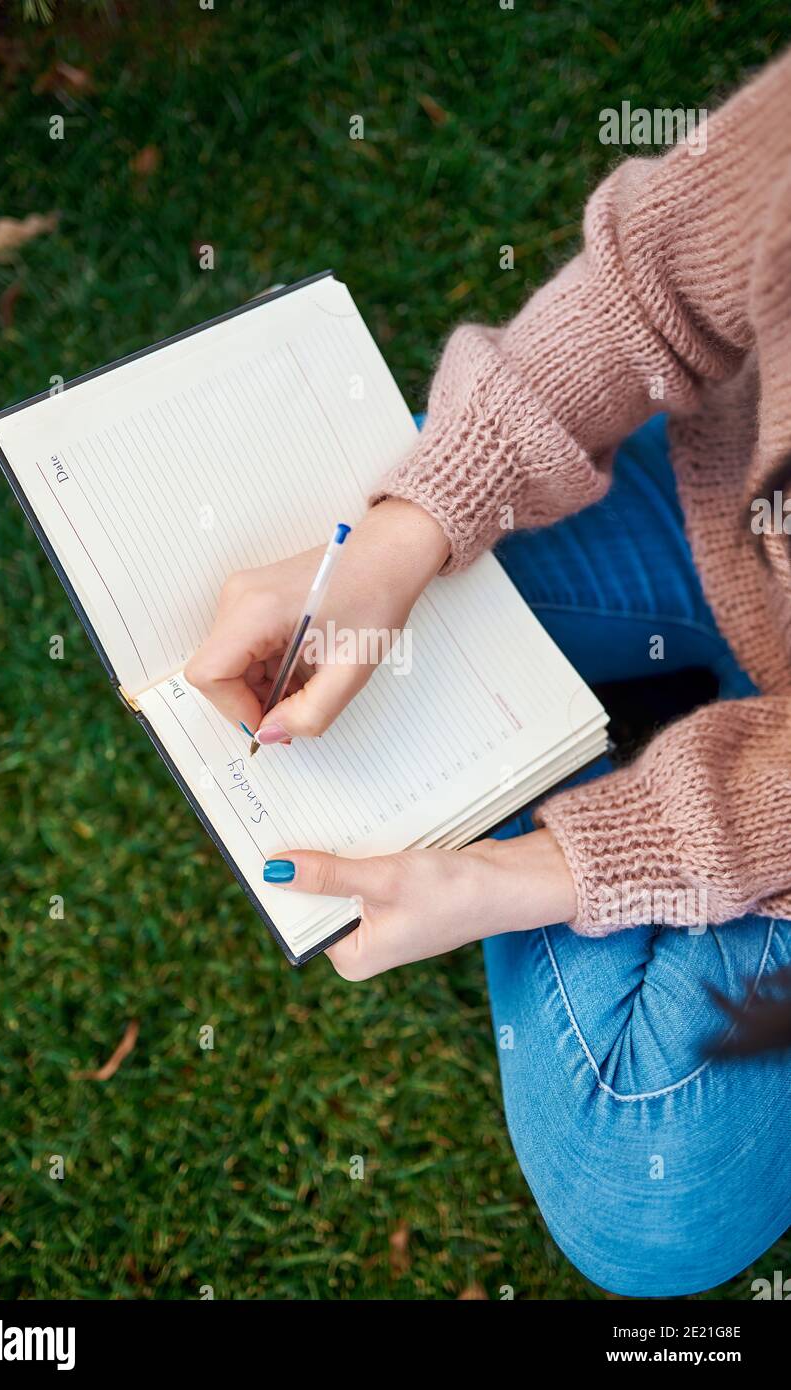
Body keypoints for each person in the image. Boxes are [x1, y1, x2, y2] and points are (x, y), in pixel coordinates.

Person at [185, 51, 791, 1295]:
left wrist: (540, 867)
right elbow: (648, 288)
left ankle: (551, 753)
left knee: (644, 1179)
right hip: (726, 538)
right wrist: (410, 528)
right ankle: (576, 725)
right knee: (312, 560)